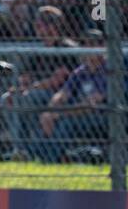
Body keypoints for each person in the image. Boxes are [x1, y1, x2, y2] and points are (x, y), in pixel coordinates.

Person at [0, 4, 76, 157]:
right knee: (7, 99)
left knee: (31, 98)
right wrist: (18, 87)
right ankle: (20, 149)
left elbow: (58, 80)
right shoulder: (41, 49)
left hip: (61, 96)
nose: (40, 28)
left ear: (55, 27)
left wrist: (31, 88)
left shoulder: (66, 47)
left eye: (44, 24)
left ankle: (35, 148)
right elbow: (27, 76)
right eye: (39, 24)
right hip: (37, 92)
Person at [32, 26, 107, 162]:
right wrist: (50, 111)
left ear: (102, 47)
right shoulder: (81, 71)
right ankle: (34, 157)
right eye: (84, 44)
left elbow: (91, 105)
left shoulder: (108, 70)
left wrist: (59, 114)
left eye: (92, 44)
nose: (87, 48)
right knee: (45, 117)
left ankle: (50, 160)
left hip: (101, 115)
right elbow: (62, 94)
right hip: (77, 113)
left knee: (66, 122)